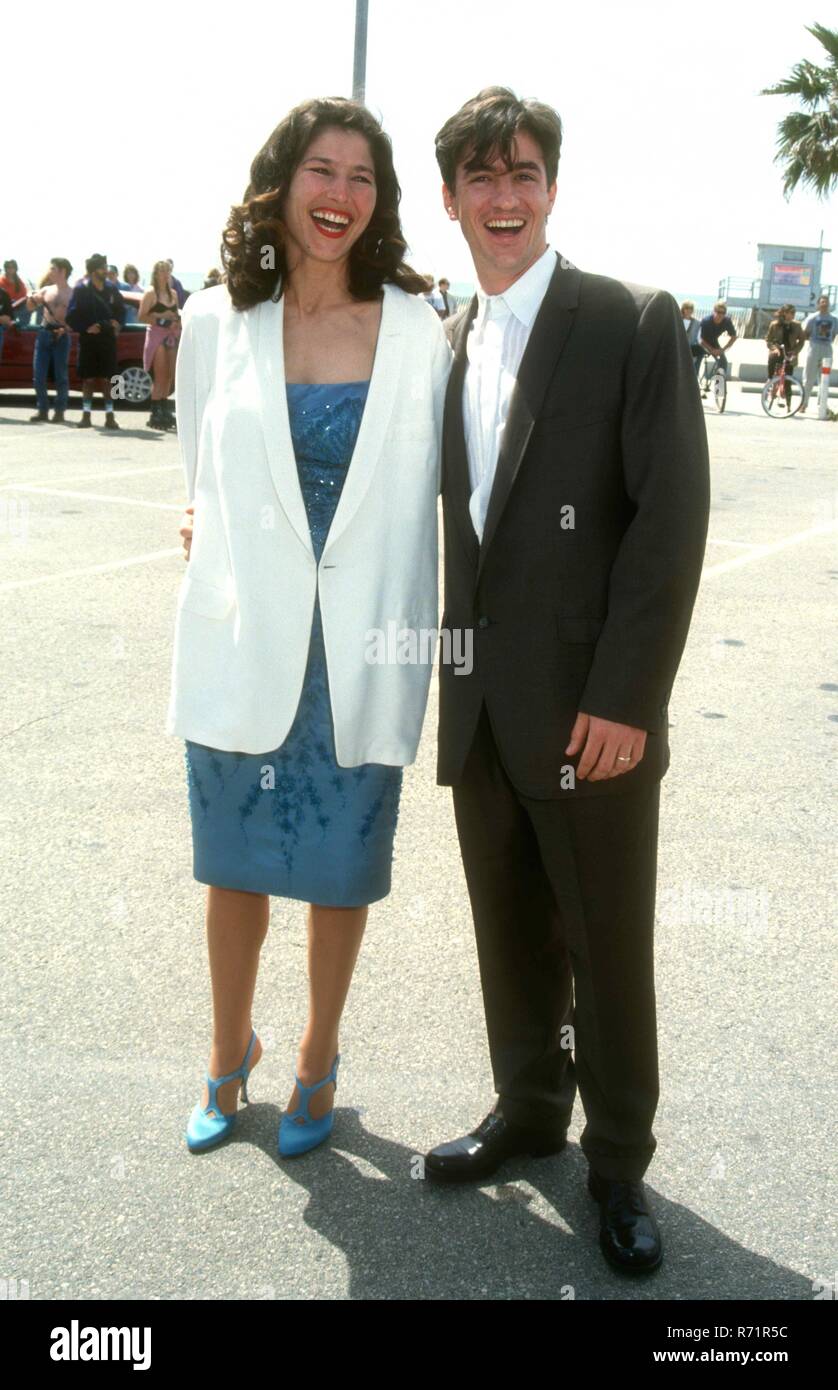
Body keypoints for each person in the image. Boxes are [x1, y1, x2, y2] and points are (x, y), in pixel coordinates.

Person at [424, 87, 710, 1275]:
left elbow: (668, 520)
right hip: (482, 699)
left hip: (591, 712)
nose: (505, 197)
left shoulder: (629, 320)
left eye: (524, 173)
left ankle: (619, 1163)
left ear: (552, 188)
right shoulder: (446, 338)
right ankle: (529, 1110)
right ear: (449, 199)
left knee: (605, 943)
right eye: (481, 178)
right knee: (510, 933)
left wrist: (627, 698)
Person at [167, 97, 450, 1160]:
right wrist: (195, 519)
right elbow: (198, 466)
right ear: (282, 183)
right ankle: (224, 1051)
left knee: (340, 865)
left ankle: (316, 1057)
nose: (340, 194)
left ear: (378, 201)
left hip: (360, 648)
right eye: (322, 171)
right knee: (231, 864)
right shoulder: (210, 322)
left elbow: (442, 485)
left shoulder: (420, 329)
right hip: (247, 638)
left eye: (362, 177)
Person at [65, 253, 127, 429]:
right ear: (93, 271)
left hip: (107, 339)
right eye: (102, 267)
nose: (105, 270)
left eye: (106, 267)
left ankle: (110, 415)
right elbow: (71, 316)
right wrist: (86, 327)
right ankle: (86, 415)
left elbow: (121, 311)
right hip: (89, 340)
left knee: (109, 378)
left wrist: (117, 324)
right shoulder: (81, 290)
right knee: (89, 379)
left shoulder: (112, 289)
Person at [26, 258, 74, 424]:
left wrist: (65, 329)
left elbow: (77, 318)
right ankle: (42, 410)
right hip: (44, 333)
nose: (50, 271)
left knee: (61, 376)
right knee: (38, 376)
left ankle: (59, 411)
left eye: (53, 268)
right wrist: (31, 298)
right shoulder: (46, 290)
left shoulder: (72, 293)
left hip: (62, 336)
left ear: (63, 271)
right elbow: (30, 307)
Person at [138, 260, 182, 431]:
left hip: (171, 334)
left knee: (170, 375)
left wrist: (175, 321)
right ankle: (155, 410)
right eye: (162, 271)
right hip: (157, 334)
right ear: (155, 273)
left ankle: (164, 409)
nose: (165, 274)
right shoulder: (150, 293)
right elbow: (141, 316)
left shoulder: (173, 294)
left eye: (167, 271)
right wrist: (161, 319)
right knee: (160, 375)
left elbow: (176, 313)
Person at [800, 294, 837, 413]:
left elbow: (835, 334)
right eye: (822, 302)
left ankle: (822, 404)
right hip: (814, 348)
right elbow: (805, 333)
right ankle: (803, 404)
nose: (824, 304)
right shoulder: (812, 318)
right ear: (818, 304)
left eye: (826, 302)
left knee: (824, 379)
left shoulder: (834, 319)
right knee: (809, 377)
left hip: (827, 348)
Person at [765, 303, 804, 411]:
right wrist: (774, 349)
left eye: (794, 313)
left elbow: (801, 341)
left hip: (789, 354)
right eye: (791, 313)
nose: (793, 315)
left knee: (787, 381)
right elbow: (768, 340)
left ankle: (789, 406)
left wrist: (795, 351)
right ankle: (770, 387)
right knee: (773, 374)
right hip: (777, 352)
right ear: (784, 313)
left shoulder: (797, 325)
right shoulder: (775, 324)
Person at [698, 299, 737, 395]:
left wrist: (723, 349)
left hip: (713, 342)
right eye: (718, 312)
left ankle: (718, 388)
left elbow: (734, 336)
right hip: (702, 342)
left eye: (723, 313)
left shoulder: (726, 321)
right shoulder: (706, 321)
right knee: (696, 360)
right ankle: (695, 383)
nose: (721, 315)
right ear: (714, 312)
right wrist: (711, 350)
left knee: (723, 361)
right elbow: (700, 339)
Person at [681, 299, 703, 376]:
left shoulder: (697, 323)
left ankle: (694, 377)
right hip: (678, 348)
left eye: (691, 308)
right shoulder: (677, 320)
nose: (689, 310)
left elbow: (699, 339)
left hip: (690, 349)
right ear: (683, 309)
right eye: (687, 308)